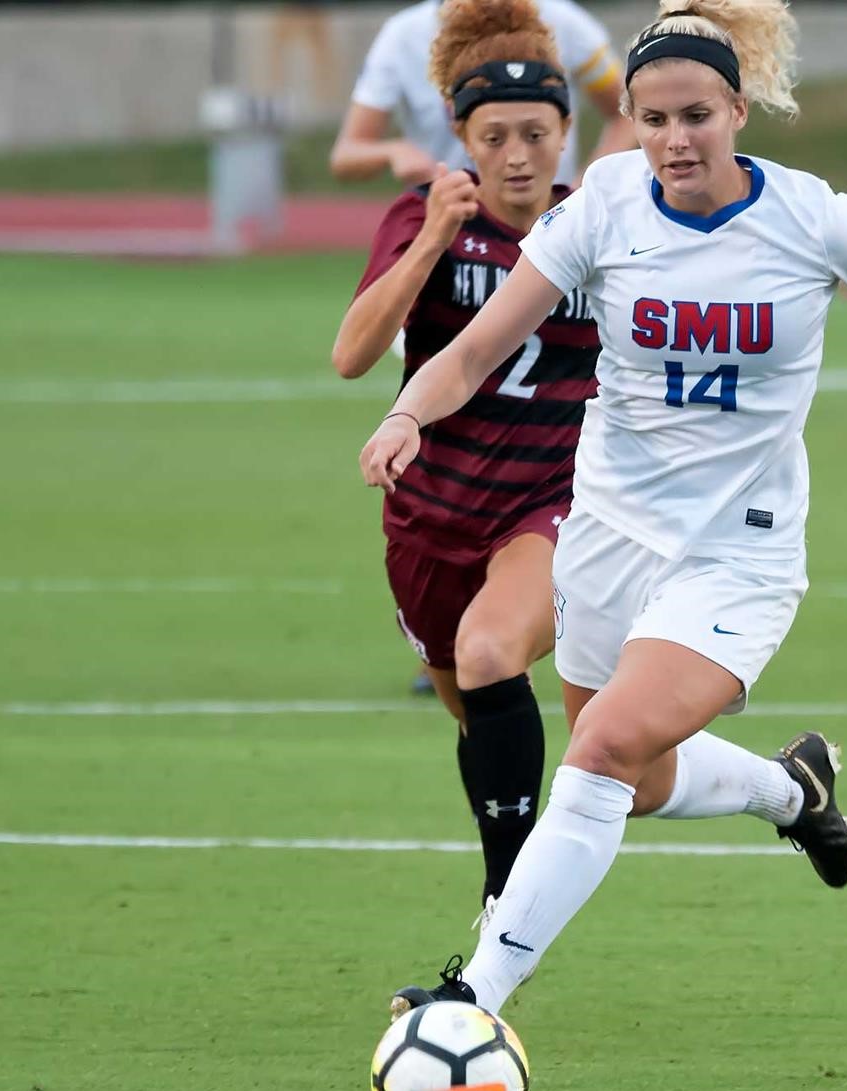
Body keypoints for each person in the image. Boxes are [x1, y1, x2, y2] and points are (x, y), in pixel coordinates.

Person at [361, 0, 847, 1018]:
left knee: (598, 755)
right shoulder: (605, 202)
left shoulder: (813, 216)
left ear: (736, 110)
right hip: (606, 539)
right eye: (650, 120)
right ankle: (793, 792)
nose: (672, 140)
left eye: (694, 115)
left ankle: (474, 995)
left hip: (738, 553)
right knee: (636, 782)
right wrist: (405, 414)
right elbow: (473, 347)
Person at [331, 0, 598, 909]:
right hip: (431, 515)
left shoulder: (598, 227)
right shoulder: (425, 217)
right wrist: (432, 243)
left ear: (568, 131)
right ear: (460, 133)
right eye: (495, 135)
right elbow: (353, 355)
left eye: (537, 132)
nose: (518, 155)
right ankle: (783, 789)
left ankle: (506, 910)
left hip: (551, 505)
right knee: (483, 718)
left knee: (490, 656)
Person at [330, 0, 634, 187]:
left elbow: (628, 112)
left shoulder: (565, 21)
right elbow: (346, 155)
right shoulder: (402, 35)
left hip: (542, 225)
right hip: (450, 227)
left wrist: (585, 186)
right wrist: (394, 151)